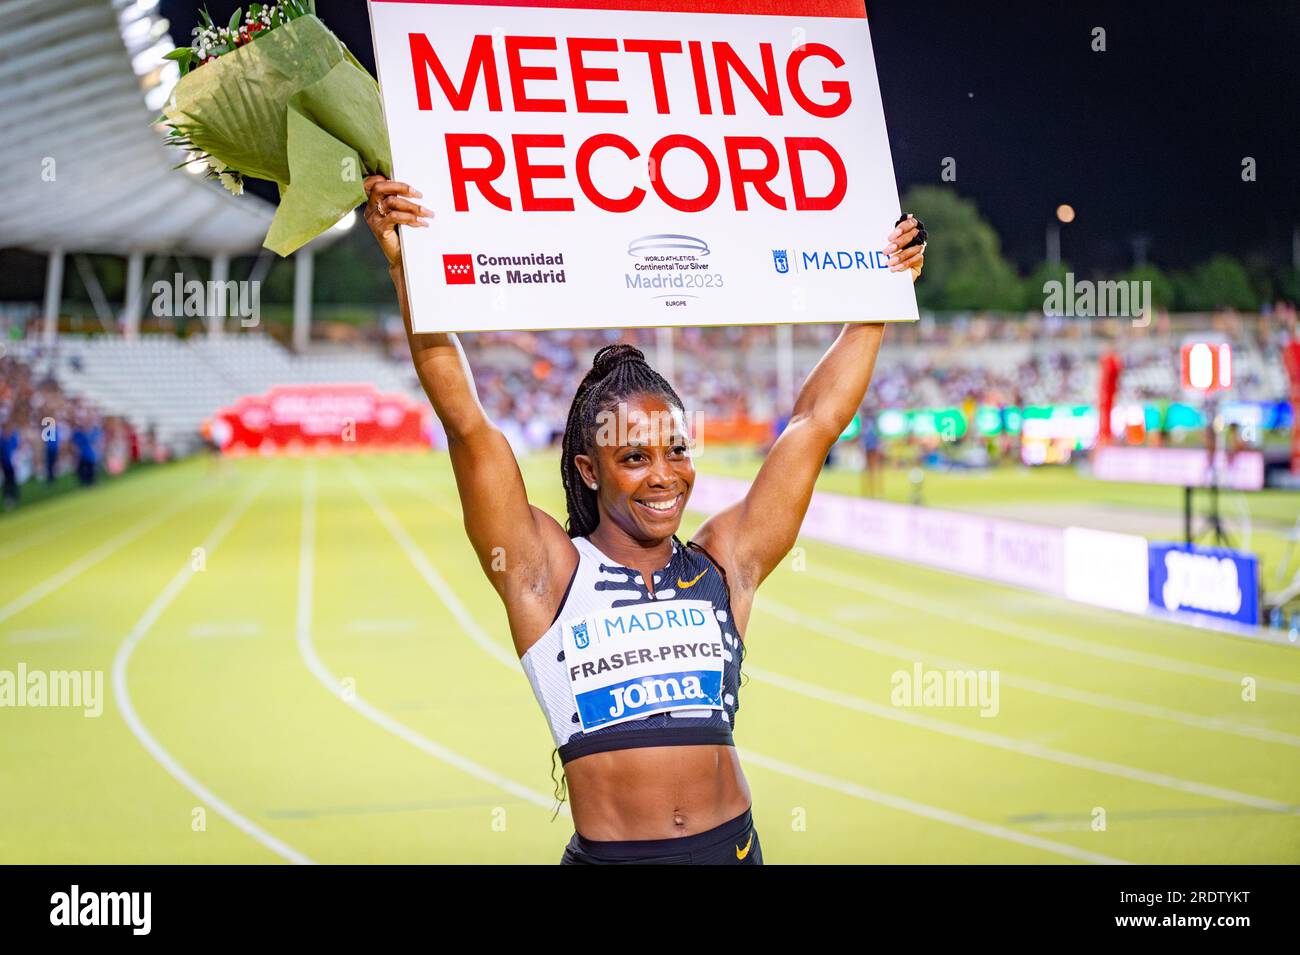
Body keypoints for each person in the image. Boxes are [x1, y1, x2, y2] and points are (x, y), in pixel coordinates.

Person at [362, 174, 926, 865]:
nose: (664, 475)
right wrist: (405, 265)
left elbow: (815, 424)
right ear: (589, 470)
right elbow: (467, 423)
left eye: (676, 450)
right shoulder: (545, 572)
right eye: (634, 456)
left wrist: (879, 292)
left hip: (734, 850)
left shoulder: (725, 562)